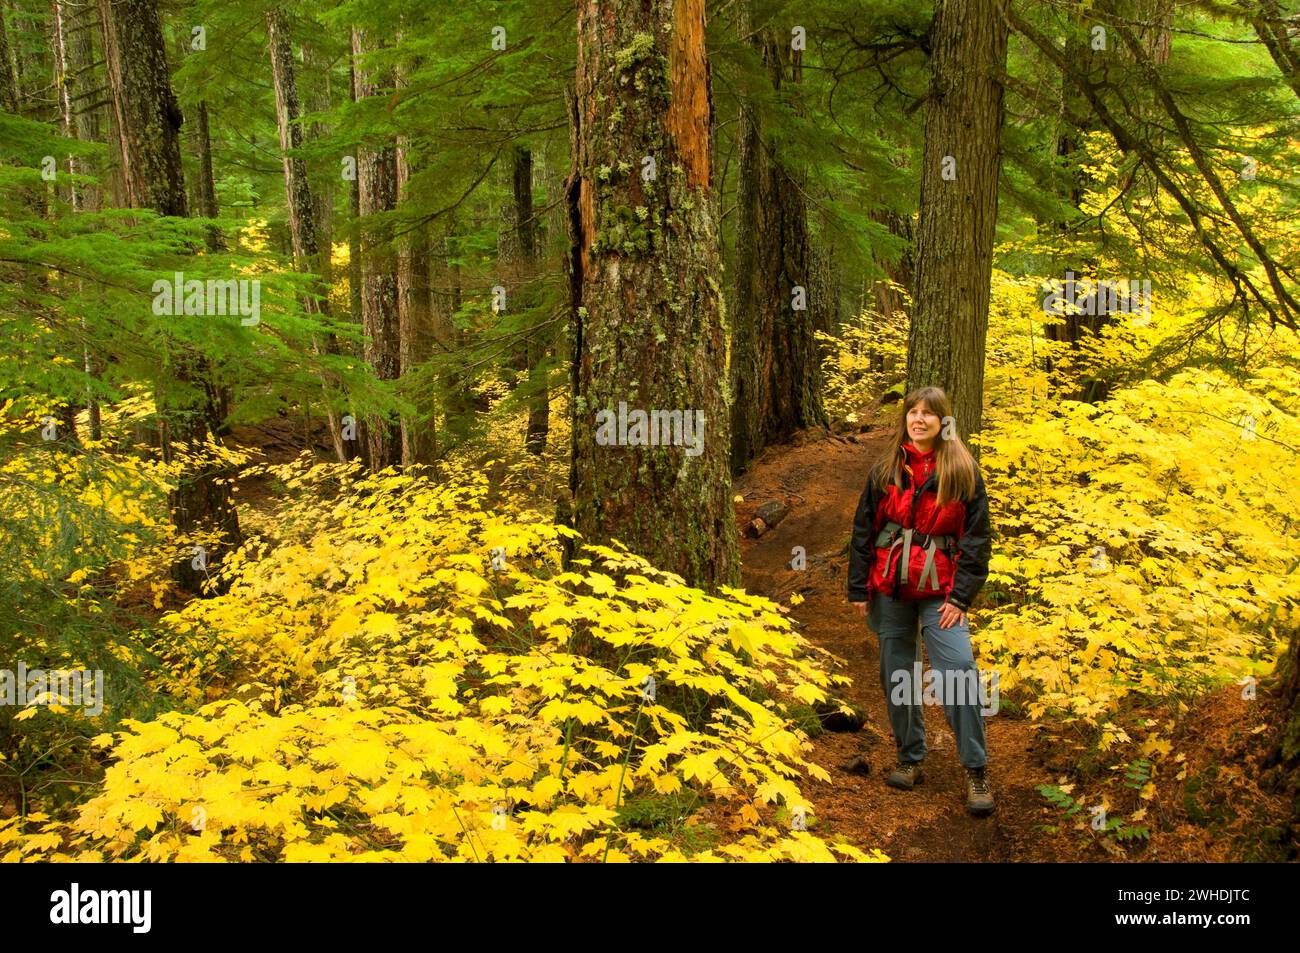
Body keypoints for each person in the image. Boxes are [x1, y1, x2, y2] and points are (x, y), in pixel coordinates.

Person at [845, 386, 995, 817]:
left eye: (929, 413)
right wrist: (858, 588)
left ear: (943, 421)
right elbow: (863, 530)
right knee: (897, 674)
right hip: (890, 588)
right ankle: (910, 758)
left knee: (959, 671)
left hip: (942, 595)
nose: (919, 419)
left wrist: (961, 598)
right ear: (905, 419)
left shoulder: (963, 471)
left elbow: (977, 540)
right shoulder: (885, 469)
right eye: (913, 411)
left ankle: (976, 769)